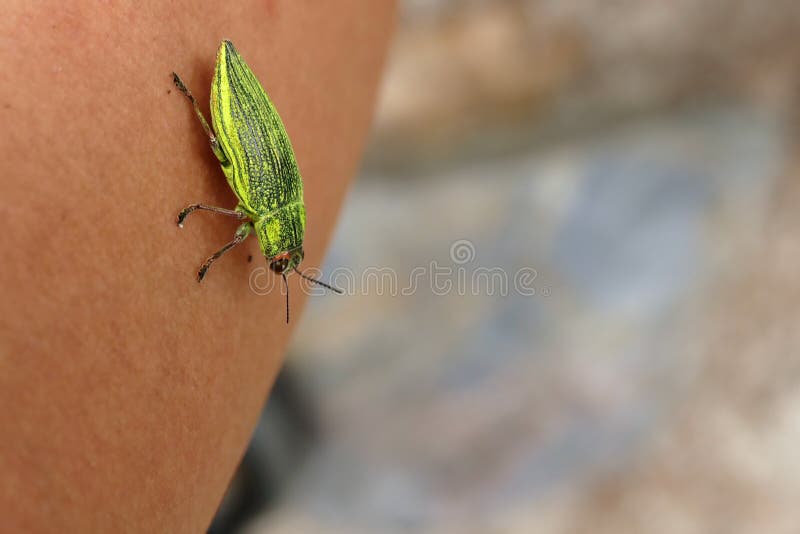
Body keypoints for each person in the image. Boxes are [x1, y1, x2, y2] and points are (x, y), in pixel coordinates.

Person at [0, 2, 396, 531]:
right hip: (236, 103)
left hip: (247, 103)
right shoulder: (265, 209)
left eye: (283, 261)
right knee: (223, 161)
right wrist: (213, 253)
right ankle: (191, 100)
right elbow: (240, 193)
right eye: (280, 258)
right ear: (280, 238)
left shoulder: (283, 210)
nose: (276, 265)